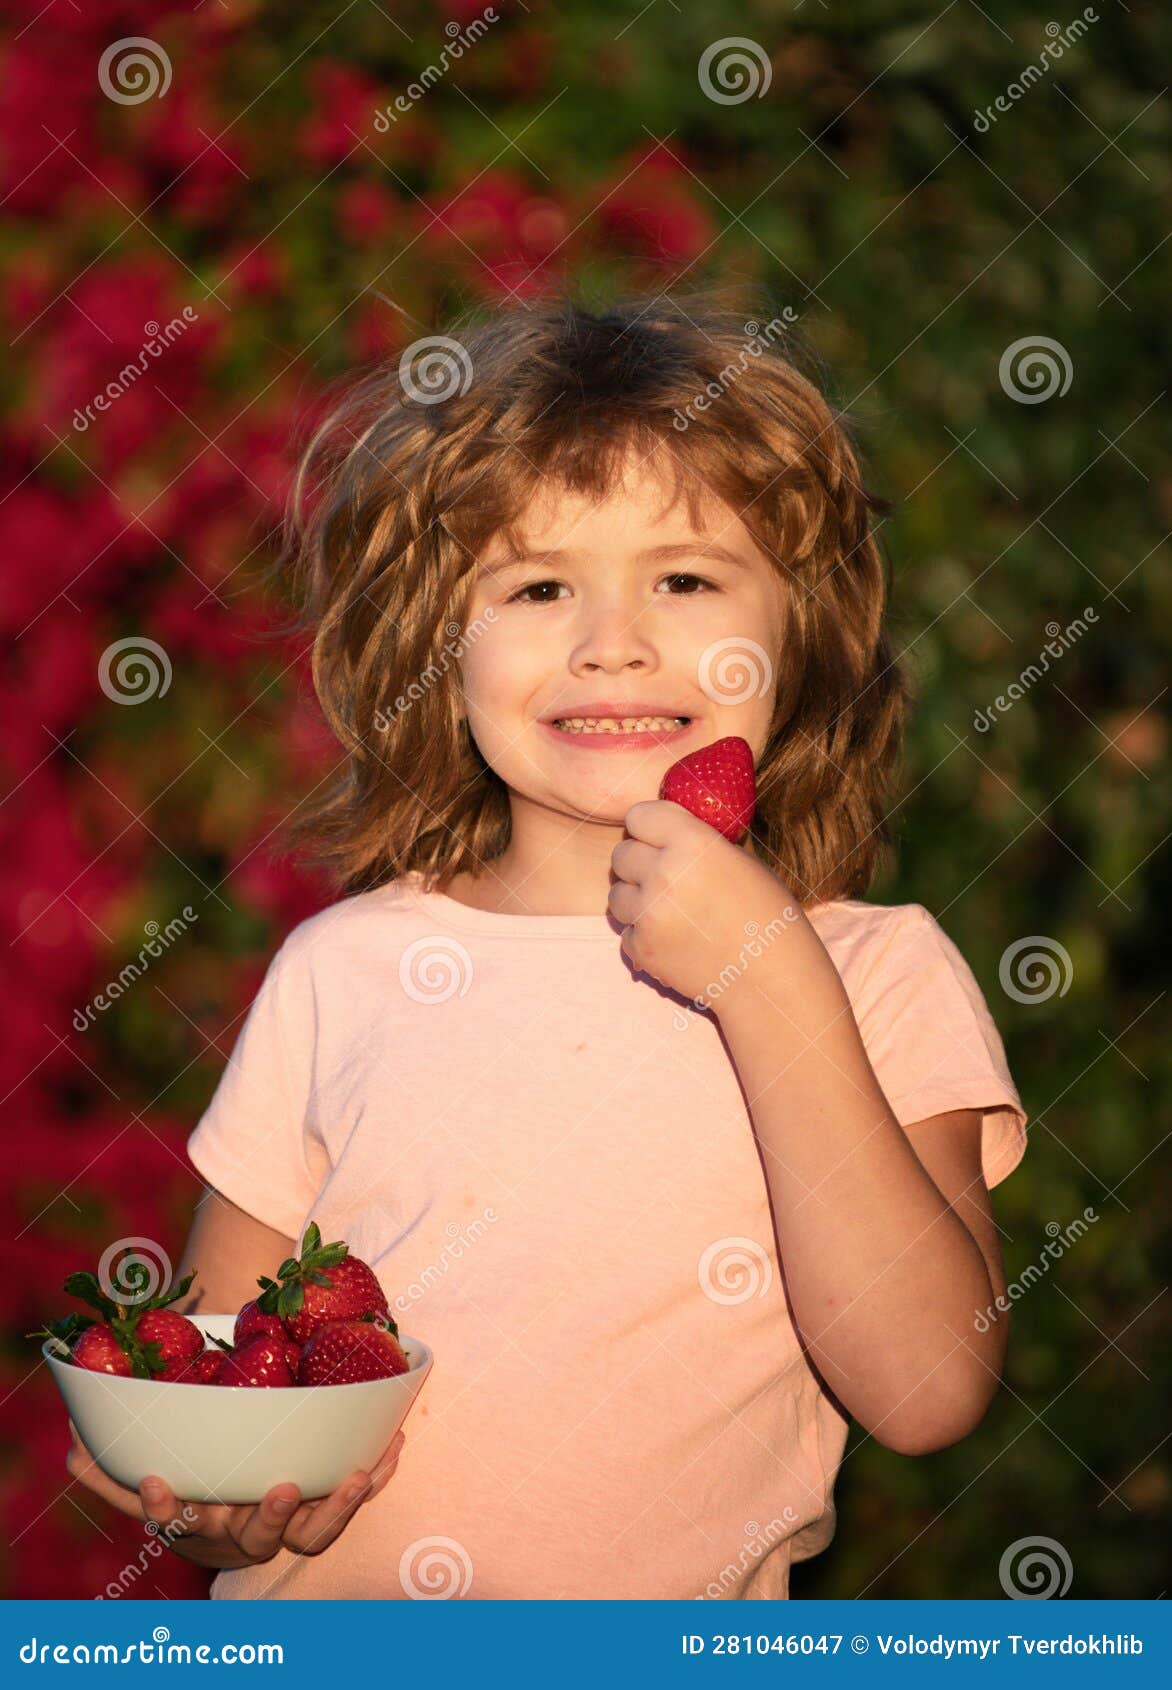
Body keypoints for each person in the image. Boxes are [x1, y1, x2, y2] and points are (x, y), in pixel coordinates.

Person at [68, 290, 1028, 1599]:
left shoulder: (869, 973)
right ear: (440, 644)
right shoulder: (340, 972)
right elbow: (230, 1393)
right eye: (537, 584)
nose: (612, 640)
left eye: (685, 578)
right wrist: (213, 1508)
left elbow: (926, 1386)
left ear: (796, 627)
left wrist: (770, 980)